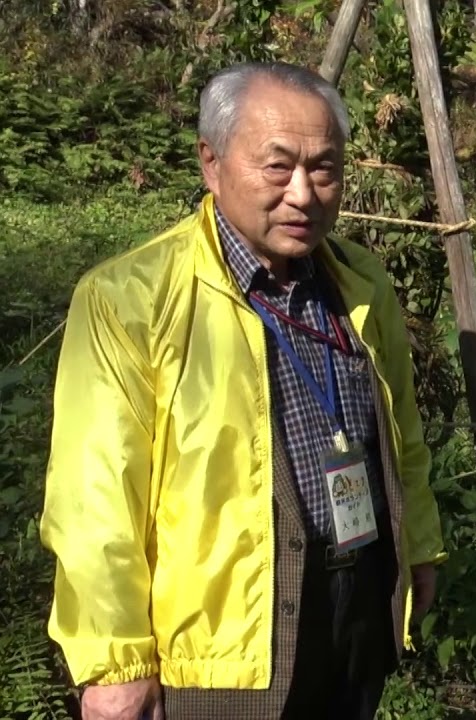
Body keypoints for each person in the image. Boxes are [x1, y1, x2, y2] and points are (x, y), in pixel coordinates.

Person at [39, 61, 448, 720]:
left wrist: (418, 546)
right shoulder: (130, 299)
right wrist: (115, 665)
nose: (304, 195)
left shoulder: (358, 282)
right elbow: (94, 501)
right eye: (277, 167)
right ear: (211, 162)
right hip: (219, 651)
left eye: (324, 168)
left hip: (352, 615)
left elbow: (401, 439)